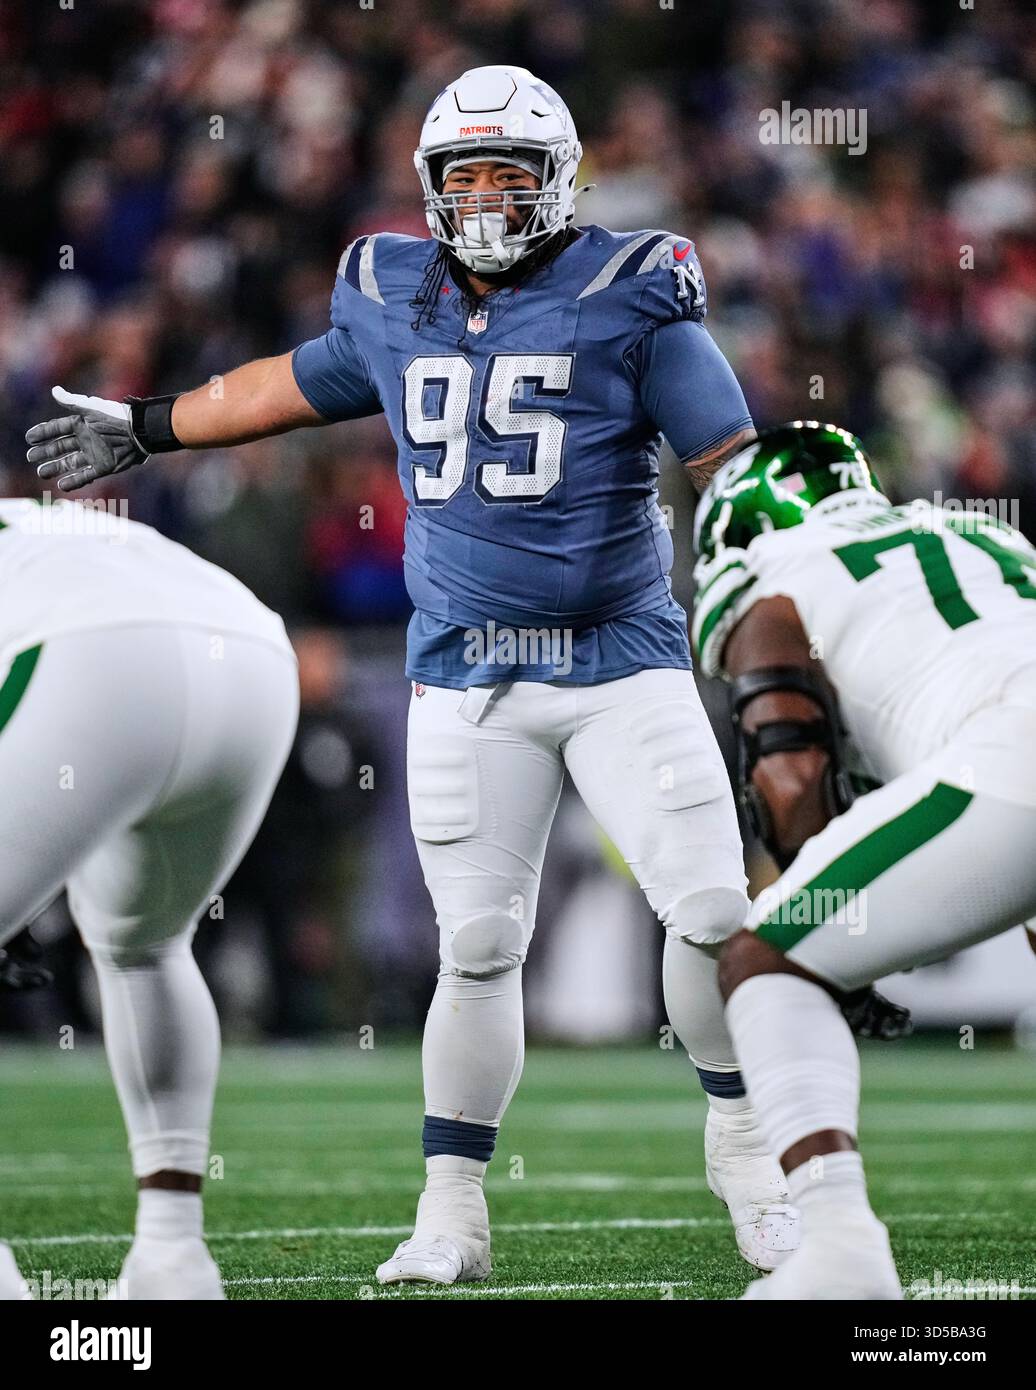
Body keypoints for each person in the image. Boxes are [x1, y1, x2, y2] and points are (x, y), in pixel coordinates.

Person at [26, 65, 796, 1286]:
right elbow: (284, 386)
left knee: (708, 914)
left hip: (617, 661)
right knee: (477, 947)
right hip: (464, 673)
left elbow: (733, 466)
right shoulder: (392, 293)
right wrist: (147, 423)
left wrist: (782, 599)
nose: (486, 196)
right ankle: (452, 1212)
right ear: (430, 185)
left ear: (559, 179)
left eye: (509, 173)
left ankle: (746, 1153)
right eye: (464, 174)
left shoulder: (634, 291)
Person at [690, 420, 1036, 1298]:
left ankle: (841, 1249)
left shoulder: (776, 569)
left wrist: (833, 940)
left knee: (767, 960)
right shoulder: (980, 533)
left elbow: (790, 755)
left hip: (1011, 747)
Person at [0, 498, 298, 1300]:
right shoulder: (42, 527)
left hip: (93, 656)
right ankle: (173, 1258)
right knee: (145, 945)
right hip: (252, 656)